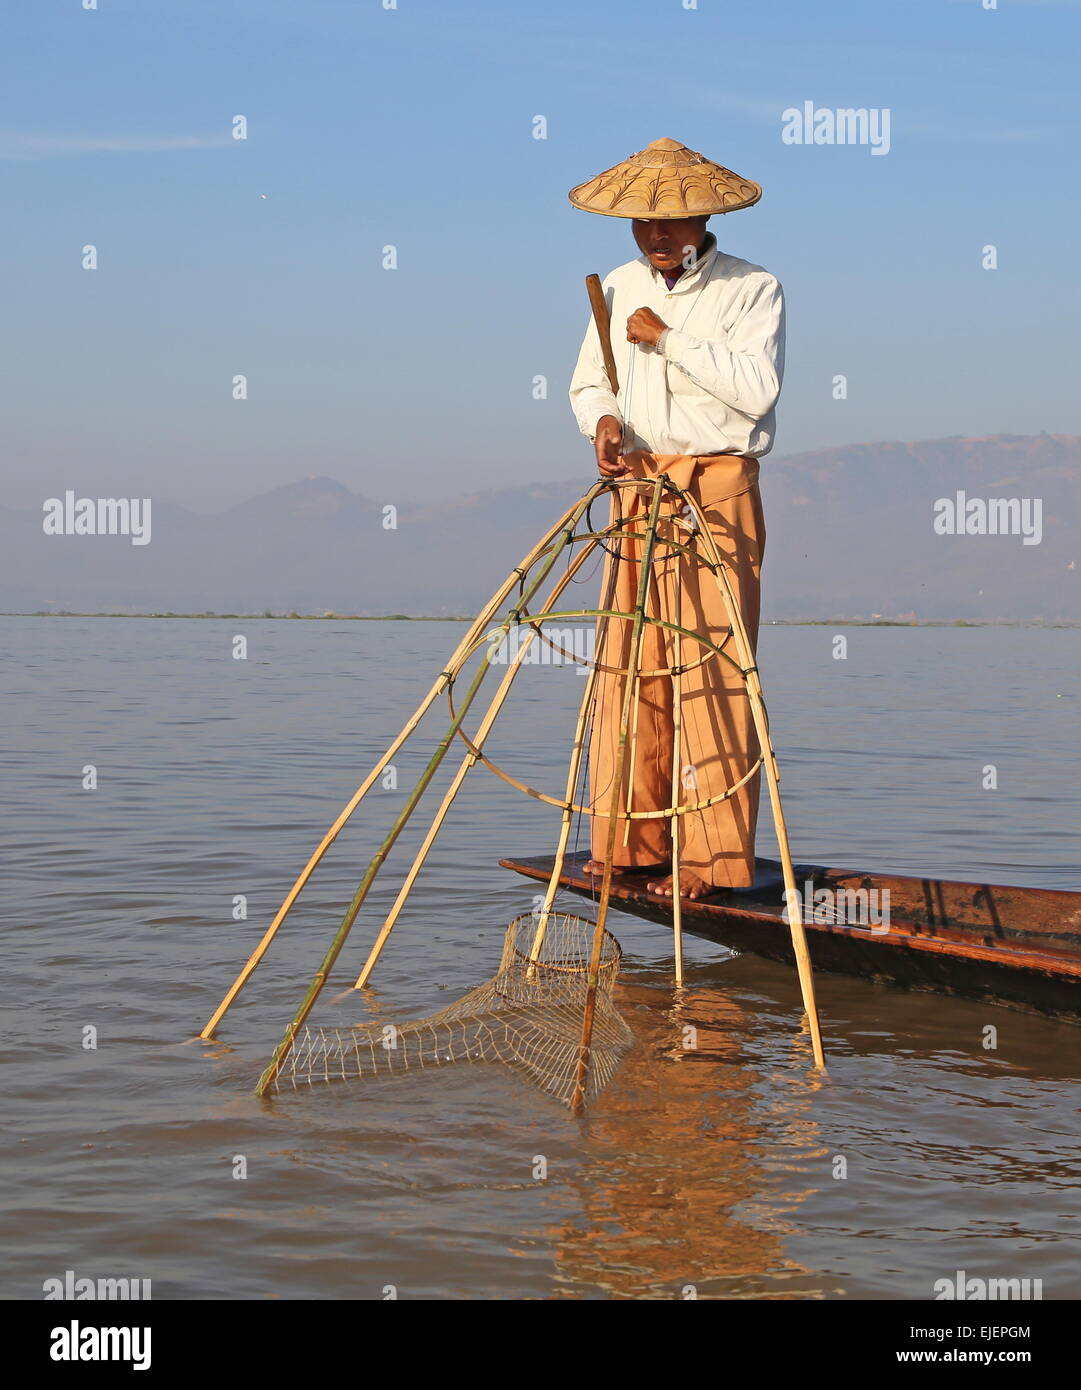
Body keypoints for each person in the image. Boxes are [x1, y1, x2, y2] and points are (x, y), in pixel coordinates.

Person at [568, 138, 785, 900]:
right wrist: (600, 424)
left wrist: (668, 340)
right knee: (630, 667)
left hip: (714, 487)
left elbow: (756, 391)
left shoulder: (750, 288)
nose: (657, 235)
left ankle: (710, 863)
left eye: (674, 221)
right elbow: (589, 384)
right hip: (637, 486)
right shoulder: (619, 286)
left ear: (704, 219)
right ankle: (627, 844)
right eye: (643, 222)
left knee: (710, 670)